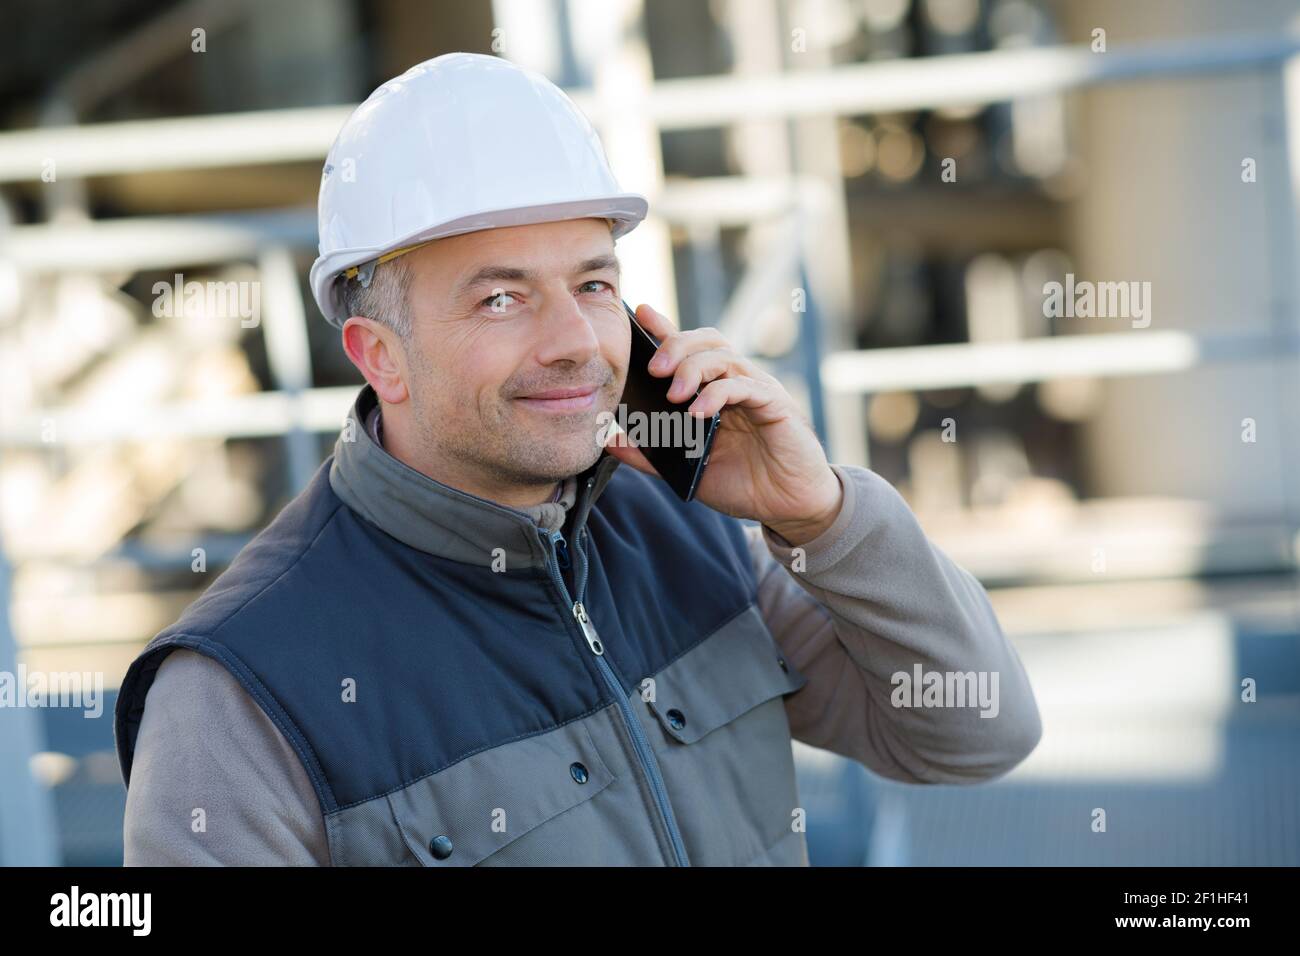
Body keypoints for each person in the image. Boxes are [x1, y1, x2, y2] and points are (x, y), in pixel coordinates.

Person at [115, 52, 1041, 866]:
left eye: (593, 283)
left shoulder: (688, 527)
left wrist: (822, 516)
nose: (575, 342)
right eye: (501, 300)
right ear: (378, 356)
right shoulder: (236, 696)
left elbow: (973, 735)